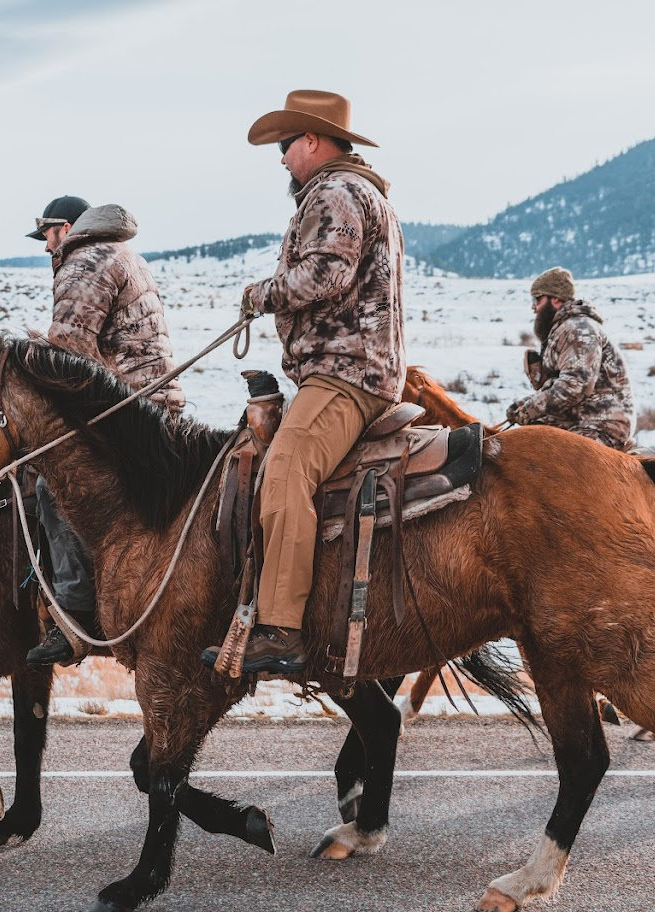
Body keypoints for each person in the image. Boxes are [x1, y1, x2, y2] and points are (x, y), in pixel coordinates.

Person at [202, 90, 405, 677]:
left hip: (345, 375)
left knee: (285, 471)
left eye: (287, 144)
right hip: (355, 370)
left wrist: (260, 295)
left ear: (313, 140)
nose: (282, 157)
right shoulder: (363, 191)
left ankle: (281, 629)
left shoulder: (335, 191)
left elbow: (326, 274)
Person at [24, 195, 186, 666]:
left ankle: (76, 615)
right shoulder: (122, 255)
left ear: (67, 227)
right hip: (153, 402)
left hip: (128, 406)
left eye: (48, 235)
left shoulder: (84, 260)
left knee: (56, 487)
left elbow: (69, 351)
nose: (46, 246)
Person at [506, 267, 635, 450]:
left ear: (555, 299)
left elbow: (575, 385)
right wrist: (523, 405)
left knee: (547, 460)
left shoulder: (579, 329)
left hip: (600, 424)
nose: (533, 307)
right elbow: (556, 385)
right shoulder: (563, 330)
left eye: (537, 299)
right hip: (575, 421)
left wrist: (530, 409)